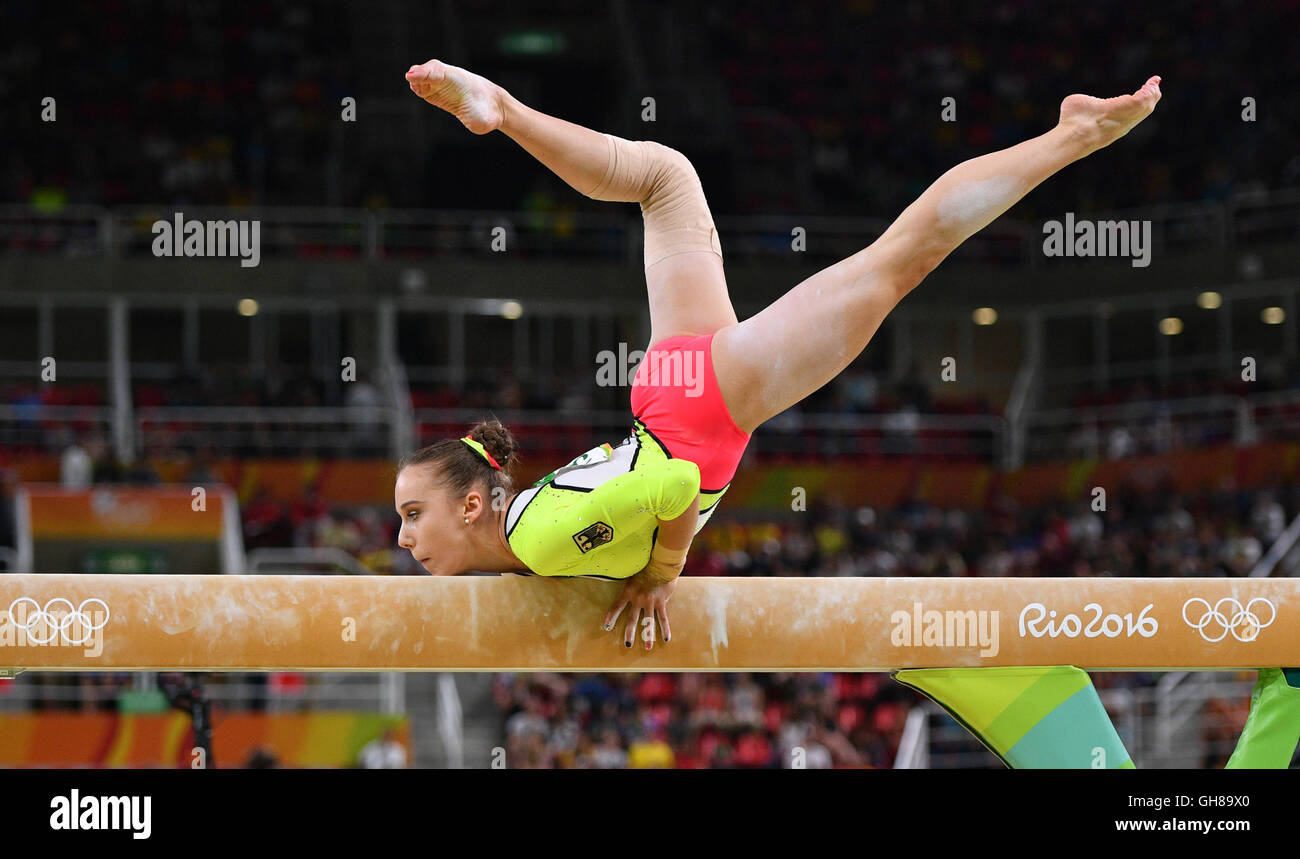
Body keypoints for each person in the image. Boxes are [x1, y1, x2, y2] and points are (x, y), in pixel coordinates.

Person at [394, 58, 1162, 651]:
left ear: (470, 505)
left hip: (704, 413)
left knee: (903, 259)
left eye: (411, 514)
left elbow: (674, 484)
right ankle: (508, 109)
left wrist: (662, 576)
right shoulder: (528, 533)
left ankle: (1076, 135)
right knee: (665, 178)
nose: (401, 538)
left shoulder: (536, 538)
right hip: (672, 394)